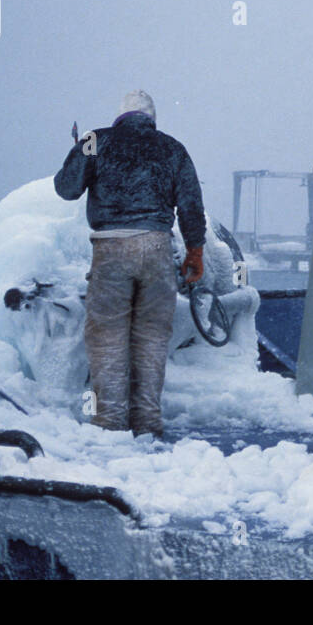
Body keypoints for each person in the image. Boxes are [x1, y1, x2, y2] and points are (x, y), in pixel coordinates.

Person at [54, 90, 206, 438]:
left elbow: (66, 189)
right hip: (157, 248)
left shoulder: (96, 140)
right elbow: (191, 204)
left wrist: (79, 152)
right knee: (152, 338)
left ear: (119, 116)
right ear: (152, 119)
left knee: (108, 336)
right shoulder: (172, 148)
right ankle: (148, 423)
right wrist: (195, 252)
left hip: (111, 248)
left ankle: (109, 423)